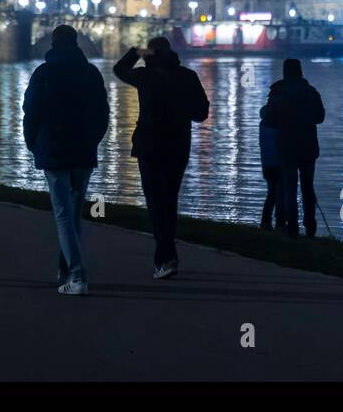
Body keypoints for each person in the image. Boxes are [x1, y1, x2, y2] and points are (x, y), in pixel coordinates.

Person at [22, 24, 110, 295]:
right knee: (73, 215)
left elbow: (30, 112)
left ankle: (77, 275)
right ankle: (66, 269)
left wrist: (33, 144)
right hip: (83, 150)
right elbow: (103, 114)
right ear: (77, 43)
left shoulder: (44, 73)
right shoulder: (91, 73)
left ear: (53, 43)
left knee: (62, 215)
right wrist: (93, 139)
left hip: (54, 150)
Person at [113, 37, 209, 278]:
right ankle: (168, 255)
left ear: (150, 54)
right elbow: (202, 113)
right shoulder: (187, 76)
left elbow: (119, 69)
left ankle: (165, 258)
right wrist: (181, 109)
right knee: (169, 200)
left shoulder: (146, 77)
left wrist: (136, 51)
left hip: (150, 145)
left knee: (156, 203)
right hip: (178, 145)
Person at [260, 58, 325, 238]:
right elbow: (320, 117)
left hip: (286, 147)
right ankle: (311, 226)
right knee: (307, 187)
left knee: (289, 188)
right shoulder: (311, 92)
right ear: (300, 71)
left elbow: (269, 120)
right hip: (308, 147)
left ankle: (292, 227)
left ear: (285, 72)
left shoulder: (278, 92)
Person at [258, 118, 285, 230]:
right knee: (280, 194)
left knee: (271, 194)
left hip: (267, 164)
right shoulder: (280, 126)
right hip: (279, 164)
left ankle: (265, 221)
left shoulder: (263, 124)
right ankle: (280, 222)